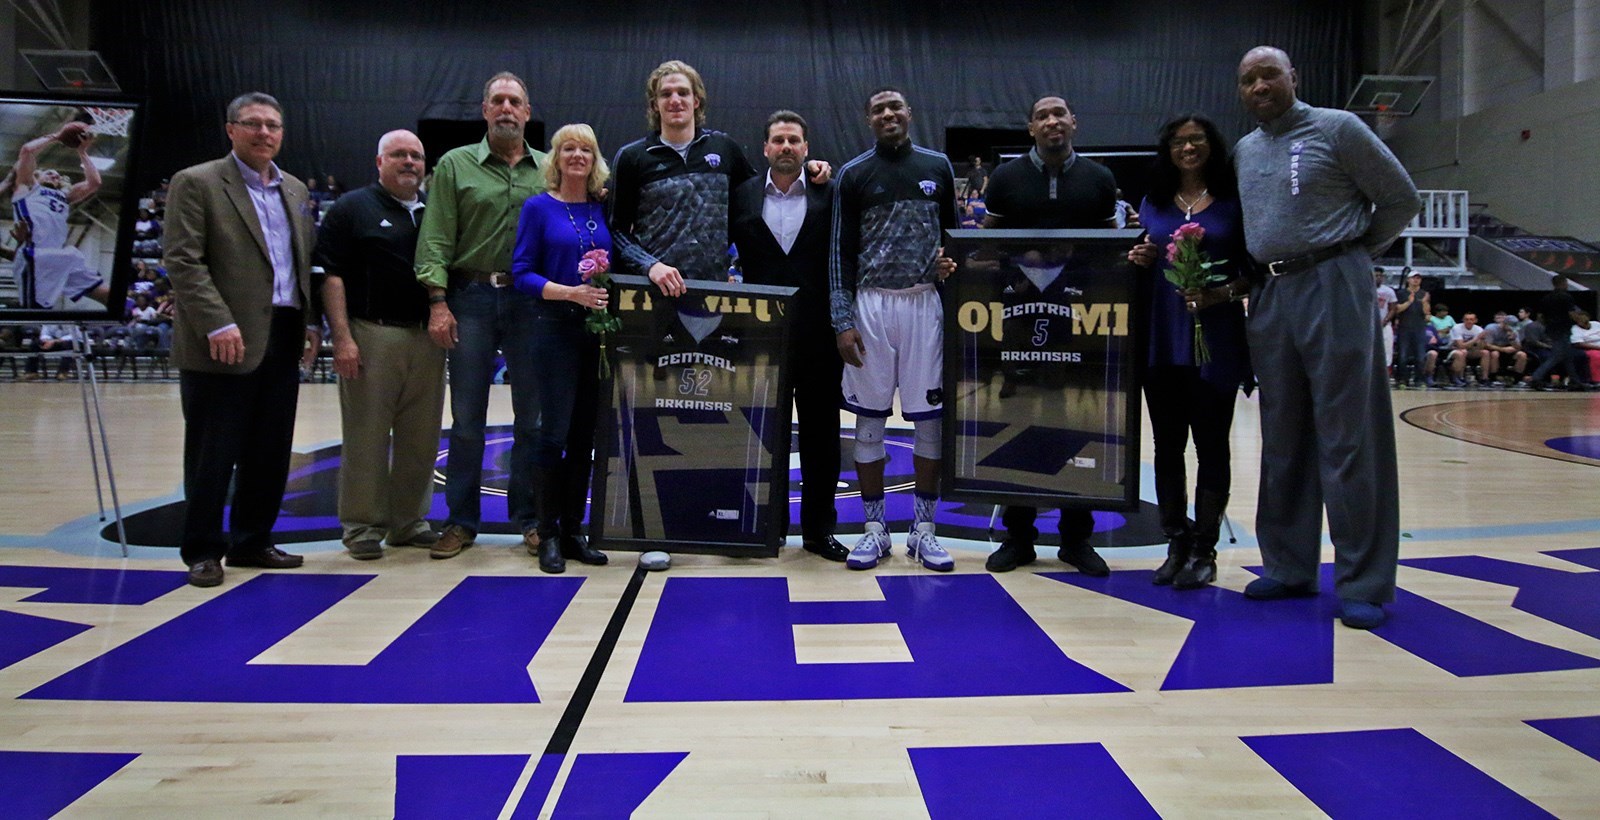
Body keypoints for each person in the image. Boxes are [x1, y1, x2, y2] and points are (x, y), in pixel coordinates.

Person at [1233, 46, 1421, 630]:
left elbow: (1400, 198)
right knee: (1283, 433)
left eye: (1269, 73)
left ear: (1294, 76)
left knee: (1348, 435)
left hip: (1333, 280)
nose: (1260, 85)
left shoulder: (1338, 127)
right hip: (1270, 293)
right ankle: (1289, 566)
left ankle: (1362, 581)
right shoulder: (1244, 149)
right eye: (1248, 79)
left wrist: (1353, 255)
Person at [164, 92, 319, 588]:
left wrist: (311, 324)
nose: (264, 133)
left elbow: (300, 265)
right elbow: (183, 260)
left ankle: (253, 540)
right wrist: (216, 322)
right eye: (253, 124)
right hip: (222, 338)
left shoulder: (293, 189)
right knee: (214, 450)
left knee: (271, 449)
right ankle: (204, 549)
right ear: (231, 129)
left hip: (283, 330)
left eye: (273, 125)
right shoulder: (198, 182)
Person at [979, 95, 1118, 577]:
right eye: (1042, 115)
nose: (1052, 121)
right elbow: (986, 242)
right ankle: (1019, 537)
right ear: (1030, 128)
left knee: (1077, 422)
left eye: (1060, 114)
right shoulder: (1005, 178)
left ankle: (1076, 538)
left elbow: (1110, 255)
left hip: (1080, 320)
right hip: (1019, 316)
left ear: (1074, 123)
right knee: (1018, 419)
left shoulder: (1099, 180)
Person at [415, 72, 548, 560]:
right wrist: (437, 301)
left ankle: (531, 519)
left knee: (531, 419)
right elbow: (435, 237)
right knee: (468, 419)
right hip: (469, 297)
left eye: (515, 100)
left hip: (531, 301)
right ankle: (461, 521)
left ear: (527, 112)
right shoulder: (454, 165)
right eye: (498, 100)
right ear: (485, 110)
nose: (507, 108)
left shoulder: (550, 167)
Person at [830, 87, 958, 572]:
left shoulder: (937, 166)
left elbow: (954, 241)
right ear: (869, 119)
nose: (888, 114)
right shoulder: (853, 174)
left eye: (895, 107)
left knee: (930, 421)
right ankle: (874, 529)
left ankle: (924, 531)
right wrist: (842, 320)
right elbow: (839, 253)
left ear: (909, 113)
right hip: (870, 306)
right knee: (869, 421)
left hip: (925, 303)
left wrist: (953, 268)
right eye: (879, 109)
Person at [1126, 114, 1252, 590]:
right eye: (1179, 141)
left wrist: (1219, 295)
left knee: (1212, 446)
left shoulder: (1233, 203)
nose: (1188, 147)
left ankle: (1205, 549)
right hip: (1161, 336)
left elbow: (1251, 271)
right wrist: (1141, 257)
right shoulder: (1154, 202)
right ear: (1168, 150)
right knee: (1166, 447)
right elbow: (1143, 255)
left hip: (1215, 337)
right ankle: (1175, 542)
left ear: (1211, 146)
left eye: (1196, 139)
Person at [315, 129, 445, 560]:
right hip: (372, 333)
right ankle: (362, 527)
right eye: (399, 155)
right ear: (379, 162)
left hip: (427, 336)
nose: (409, 162)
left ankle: (409, 522)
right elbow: (332, 276)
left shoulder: (435, 211)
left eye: (416, 156)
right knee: (367, 434)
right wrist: (343, 338)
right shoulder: (352, 207)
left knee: (421, 436)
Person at [730, 110, 846, 561]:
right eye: (777, 139)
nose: (785, 147)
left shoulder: (829, 193)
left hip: (819, 334)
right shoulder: (739, 196)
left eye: (793, 140)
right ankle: (768, 529)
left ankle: (819, 531)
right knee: (763, 435)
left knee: (822, 434)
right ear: (764, 148)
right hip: (760, 334)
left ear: (806, 148)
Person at [510, 123, 614, 573]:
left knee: (585, 436)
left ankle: (575, 530)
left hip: (597, 332)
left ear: (594, 160)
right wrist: (569, 292)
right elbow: (521, 273)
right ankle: (547, 532)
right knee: (551, 432)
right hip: (553, 327)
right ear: (555, 159)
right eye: (568, 148)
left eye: (585, 149)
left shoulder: (602, 207)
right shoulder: (537, 208)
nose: (577, 155)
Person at [10, 120, 109, 309]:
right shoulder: (27, 187)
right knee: (35, 311)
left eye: (57, 176)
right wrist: (57, 136)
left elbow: (94, 183)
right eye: (49, 173)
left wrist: (82, 152)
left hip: (60, 255)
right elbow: (27, 151)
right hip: (35, 254)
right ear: (36, 176)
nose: (54, 175)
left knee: (107, 294)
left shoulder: (65, 197)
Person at [1529, 275, 1589, 389]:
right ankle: (1536, 377)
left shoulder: (1547, 298)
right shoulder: (1566, 297)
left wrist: (1548, 325)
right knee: (1557, 356)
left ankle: (1576, 381)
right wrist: (1581, 322)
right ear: (1563, 283)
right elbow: (1571, 313)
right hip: (1563, 329)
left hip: (1551, 329)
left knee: (1567, 356)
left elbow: (1540, 316)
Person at [1391, 270, 1430, 387]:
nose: (1416, 280)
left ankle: (1420, 379)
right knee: (1403, 355)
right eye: (1413, 278)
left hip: (1419, 328)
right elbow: (1397, 309)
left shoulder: (1424, 294)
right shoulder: (1401, 293)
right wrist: (1409, 302)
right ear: (1408, 280)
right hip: (1404, 328)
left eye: (1418, 278)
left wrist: (1423, 303)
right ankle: (1402, 379)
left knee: (1420, 356)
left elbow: (1427, 313)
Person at [1443, 311, 1489, 388]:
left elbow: (1481, 347)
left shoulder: (1478, 329)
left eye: (1471, 319)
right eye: (1466, 319)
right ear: (1463, 320)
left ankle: (1484, 378)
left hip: (1470, 350)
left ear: (1475, 320)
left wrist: (1482, 340)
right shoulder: (1457, 328)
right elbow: (1460, 346)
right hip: (1452, 350)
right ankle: (1460, 377)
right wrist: (1476, 339)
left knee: (1485, 352)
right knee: (1463, 352)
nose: (1469, 321)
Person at [1375, 268, 1397, 372]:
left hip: (1384, 324)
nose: (1378, 278)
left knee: (1387, 350)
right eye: (1375, 275)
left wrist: (1385, 320)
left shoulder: (1388, 291)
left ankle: (1386, 375)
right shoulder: (1364, 289)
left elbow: (1393, 308)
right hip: (1368, 325)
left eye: (1380, 276)